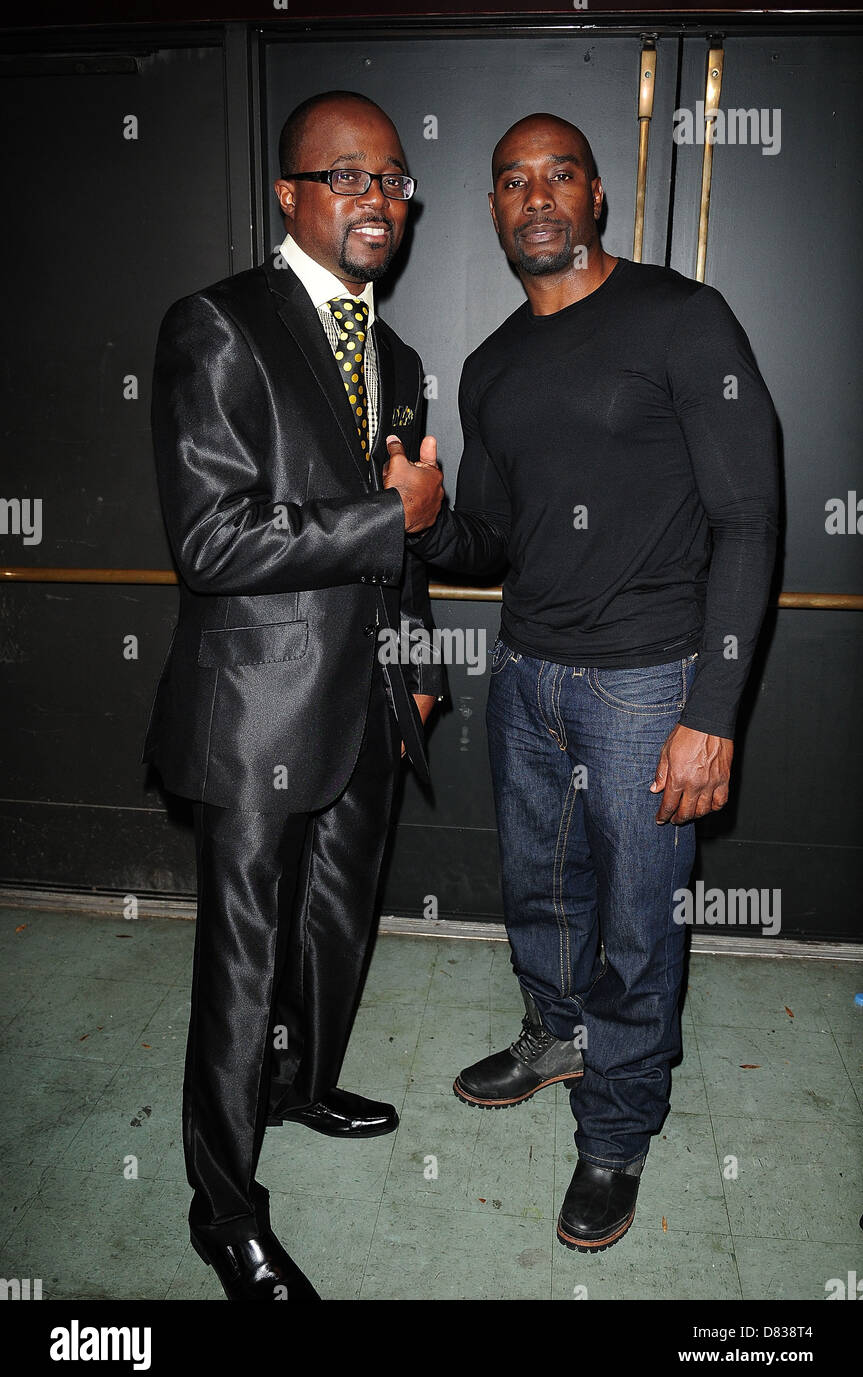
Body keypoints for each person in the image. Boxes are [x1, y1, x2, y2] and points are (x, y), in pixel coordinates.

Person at [390, 111, 779, 1252]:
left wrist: (709, 714)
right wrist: (423, 525)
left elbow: (748, 521)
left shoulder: (679, 317)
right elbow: (494, 541)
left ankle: (615, 1123)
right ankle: (552, 1034)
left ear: (596, 196)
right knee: (539, 891)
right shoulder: (491, 364)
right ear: (496, 210)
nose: (537, 194)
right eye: (513, 181)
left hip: (647, 685)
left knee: (636, 925)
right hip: (525, 677)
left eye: (560, 174)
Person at [144, 90, 444, 1299]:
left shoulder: (398, 354)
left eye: (391, 178)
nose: (375, 198)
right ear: (290, 194)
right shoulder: (218, 326)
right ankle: (223, 1204)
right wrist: (388, 516)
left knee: (337, 927)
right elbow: (210, 541)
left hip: (368, 707)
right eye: (346, 176)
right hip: (257, 711)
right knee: (244, 967)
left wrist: (416, 671)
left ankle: (301, 1084)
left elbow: (406, 547)